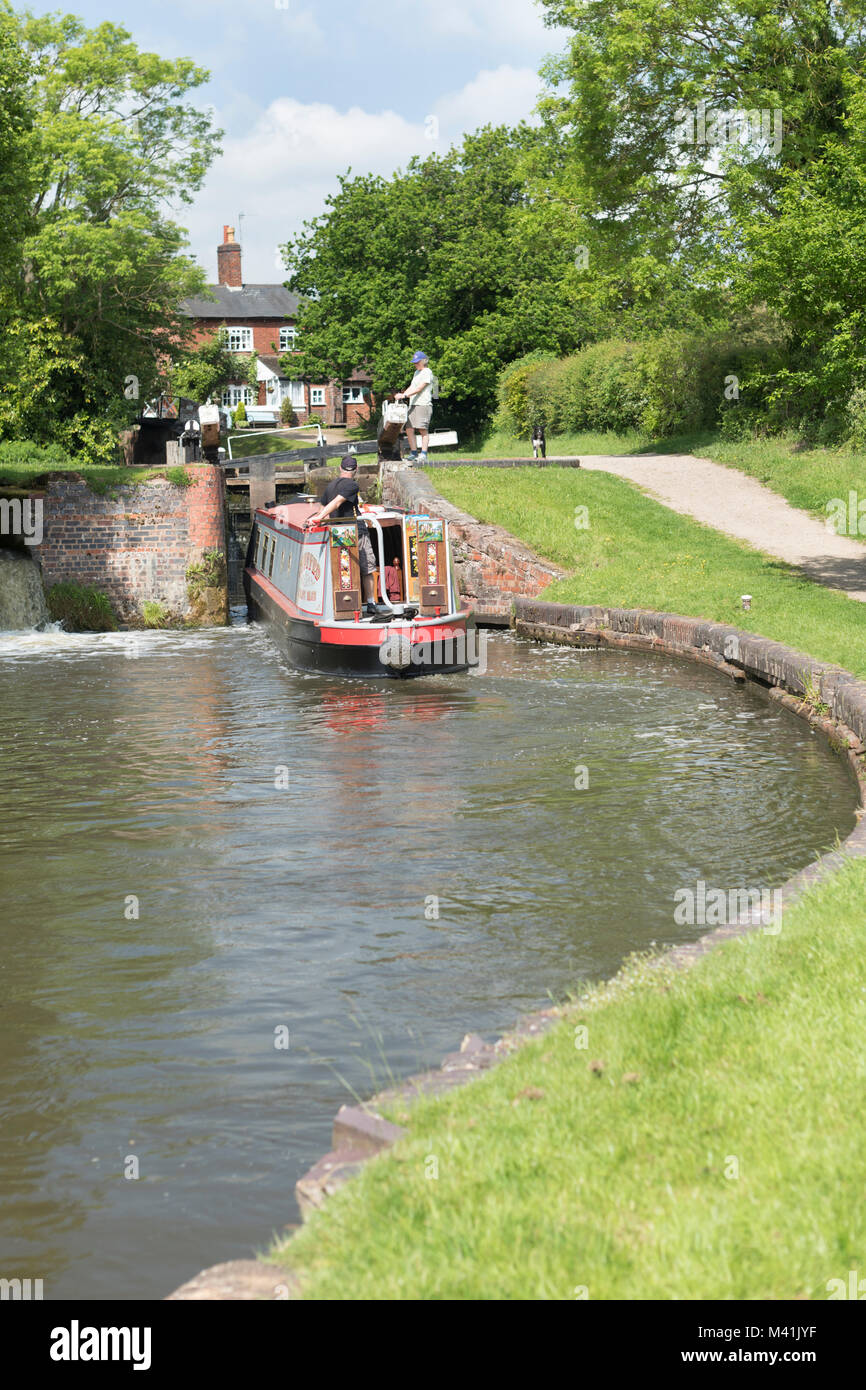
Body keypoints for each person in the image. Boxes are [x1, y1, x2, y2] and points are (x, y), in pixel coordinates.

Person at [303, 456, 380, 615]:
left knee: (341, 568)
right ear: (356, 469)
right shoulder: (352, 485)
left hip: (336, 534)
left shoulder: (330, 486)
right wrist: (318, 518)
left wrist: (317, 519)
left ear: (340, 468)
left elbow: (323, 508)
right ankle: (371, 603)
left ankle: (339, 602)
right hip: (355, 531)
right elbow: (337, 503)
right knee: (367, 567)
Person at [396, 351, 434, 463]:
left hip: (423, 404)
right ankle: (413, 453)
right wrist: (402, 395)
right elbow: (412, 387)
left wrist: (405, 395)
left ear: (423, 361)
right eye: (414, 363)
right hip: (413, 404)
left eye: (417, 362)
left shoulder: (427, 372)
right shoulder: (416, 372)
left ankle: (423, 454)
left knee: (422, 429)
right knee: (409, 428)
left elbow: (419, 389)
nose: (415, 364)